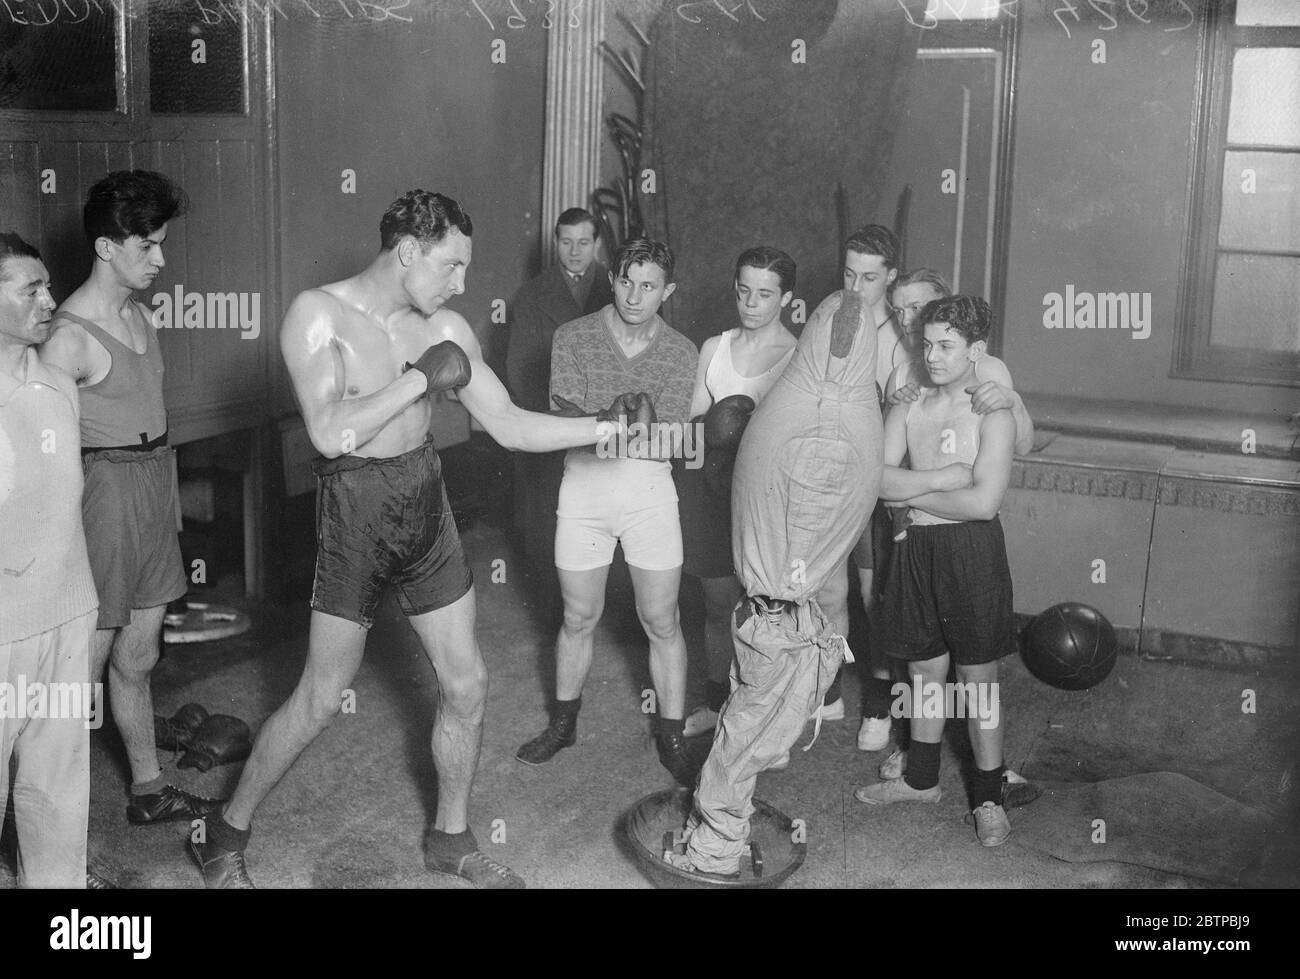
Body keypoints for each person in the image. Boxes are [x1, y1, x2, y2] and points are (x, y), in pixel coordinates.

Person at [187, 190, 638, 889]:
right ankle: (226, 828)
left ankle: (450, 836)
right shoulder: (317, 315)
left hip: (425, 498)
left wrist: (604, 426)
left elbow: (511, 424)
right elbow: (331, 432)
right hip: (355, 509)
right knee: (320, 695)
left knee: (469, 682)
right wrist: (420, 379)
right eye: (452, 266)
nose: (461, 283)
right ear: (407, 253)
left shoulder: (446, 326)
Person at [666, 229, 904, 877]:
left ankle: (715, 839)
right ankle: (719, 825)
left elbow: (773, 485)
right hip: (786, 611)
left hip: (775, 609)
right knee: (754, 716)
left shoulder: (795, 405)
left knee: (750, 723)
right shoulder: (851, 418)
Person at [40, 171, 222, 828]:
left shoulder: (144, 318)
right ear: (107, 246)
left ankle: (148, 788)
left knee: (140, 652)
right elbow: (43, 456)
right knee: (78, 672)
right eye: (148, 245)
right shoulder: (67, 337)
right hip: (103, 495)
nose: (161, 258)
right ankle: (43, 829)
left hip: (152, 483)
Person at [515, 238, 701, 786]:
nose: (634, 295)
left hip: (647, 492)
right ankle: (564, 722)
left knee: (661, 619)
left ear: (667, 290)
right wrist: (609, 418)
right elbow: (563, 416)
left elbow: (667, 439)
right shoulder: (572, 336)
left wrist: (633, 426)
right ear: (611, 278)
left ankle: (669, 733)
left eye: (648, 285)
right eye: (625, 281)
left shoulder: (681, 350)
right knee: (578, 617)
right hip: (585, 489)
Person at [853, 295, 1017, 847]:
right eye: (927, 344)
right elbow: (875, 483)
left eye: (947, 345)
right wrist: (947, 476)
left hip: (972, 553)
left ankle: (990, 798)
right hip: (915, 554)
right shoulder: (906, 405)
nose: (934, 355)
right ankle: (922, 781)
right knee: (924, 674)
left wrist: (916, 495)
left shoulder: (992, 411)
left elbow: (984, 504)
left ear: (977, 350)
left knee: (977, 682)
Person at [0, 232, 96, 888]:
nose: (50, 300)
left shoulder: (59, 380)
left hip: (66, 611)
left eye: (47, 285)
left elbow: (64, 498)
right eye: (31, 288)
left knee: (58, 801)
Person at [679, 247, 797, 741]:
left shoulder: (797, 356)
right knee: (716, 602)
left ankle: (766, 713)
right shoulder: (714, 347)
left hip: (766, 496)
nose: (750, 302)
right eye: (744, 289)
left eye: (765, 293)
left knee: (768, 612)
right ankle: (716, 700)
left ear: (787, 299)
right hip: (710, 488)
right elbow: (692, 426)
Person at [506, 208, 614, 573]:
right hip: (552, 418)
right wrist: (551, 419)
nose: (575, 250)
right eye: (566, 241)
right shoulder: (532, 295)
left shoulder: (619, 289)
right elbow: (520, 369)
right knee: (549, 520)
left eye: (584, 242)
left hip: (606, 420)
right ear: (556, 243)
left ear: (596, 243)